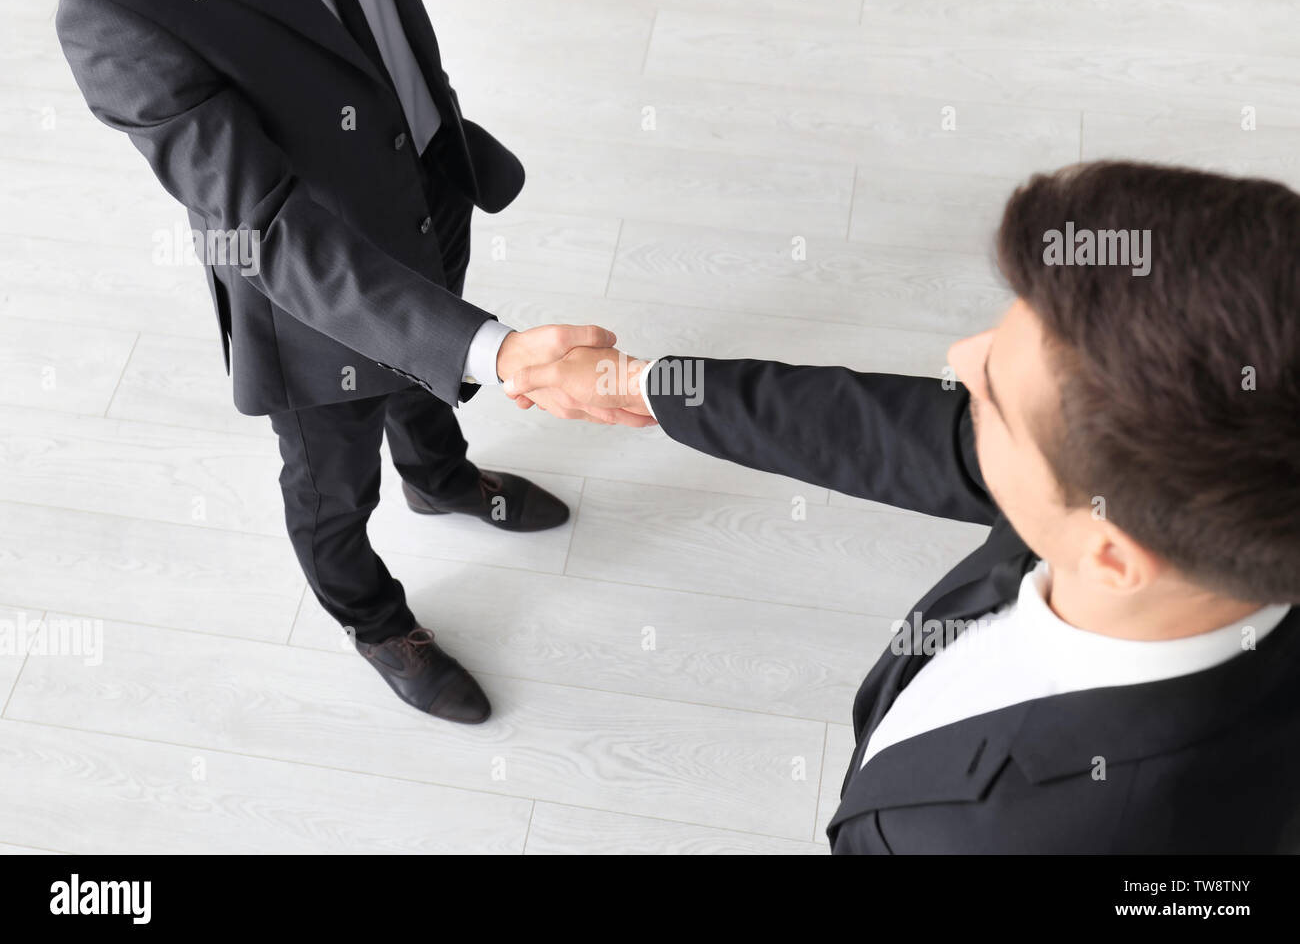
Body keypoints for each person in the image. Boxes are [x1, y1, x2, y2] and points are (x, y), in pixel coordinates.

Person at [505, 161, 1300, 854]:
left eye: (989, 399)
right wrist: (642, 384)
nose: (959, 361)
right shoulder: (1188, 504)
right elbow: (880, 430)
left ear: (1114, 555)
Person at [55, 0, 652, 727]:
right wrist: (500, 353)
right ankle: (374, 623)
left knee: (428, 379)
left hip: (430, 190)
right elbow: (259, 224)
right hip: (315, 296)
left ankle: (438, 479)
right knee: (329, 487)